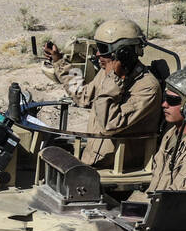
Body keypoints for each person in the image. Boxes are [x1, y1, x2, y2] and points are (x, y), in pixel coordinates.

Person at [41, 18, 161, 168]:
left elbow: (109, 125)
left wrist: (114, 80)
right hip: (92, 157)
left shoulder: (147, 87)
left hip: (116, 166)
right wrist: (59, 61)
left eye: (103, 49)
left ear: (123, 53)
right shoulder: (107, 73)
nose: (97, 54)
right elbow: (83, 96)